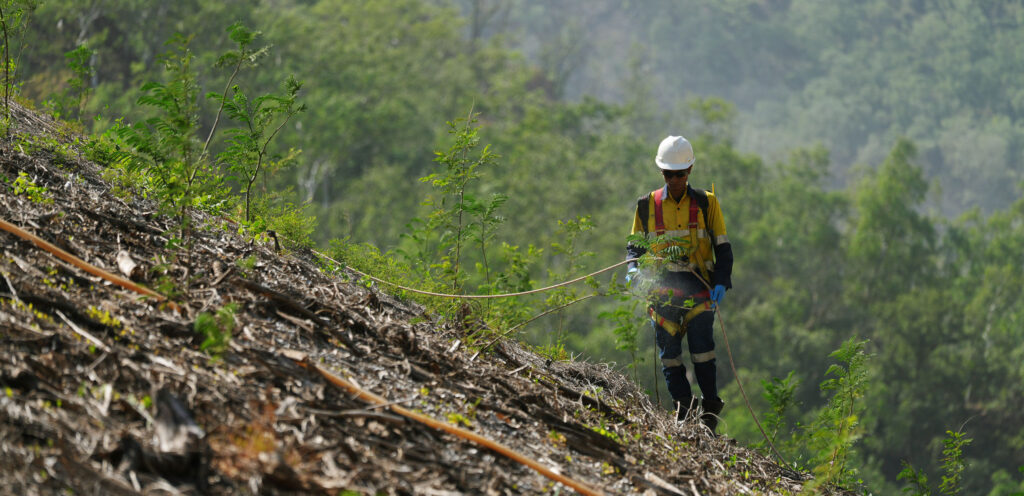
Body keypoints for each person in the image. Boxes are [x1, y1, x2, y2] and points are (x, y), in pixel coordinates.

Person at [625, 135, 733, 433]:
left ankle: (710, 410)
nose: (675, 180)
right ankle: (684, 410)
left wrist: (722, 282)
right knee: (669, 356)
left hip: (699, 286)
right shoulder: (646, 205)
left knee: (703, 351)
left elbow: (723, 247)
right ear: (662, 173)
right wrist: (633, 270)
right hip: (661, 287)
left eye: (680, 174)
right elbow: (635, 247)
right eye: (669, 174)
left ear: (690, 171)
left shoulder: (705, 203)